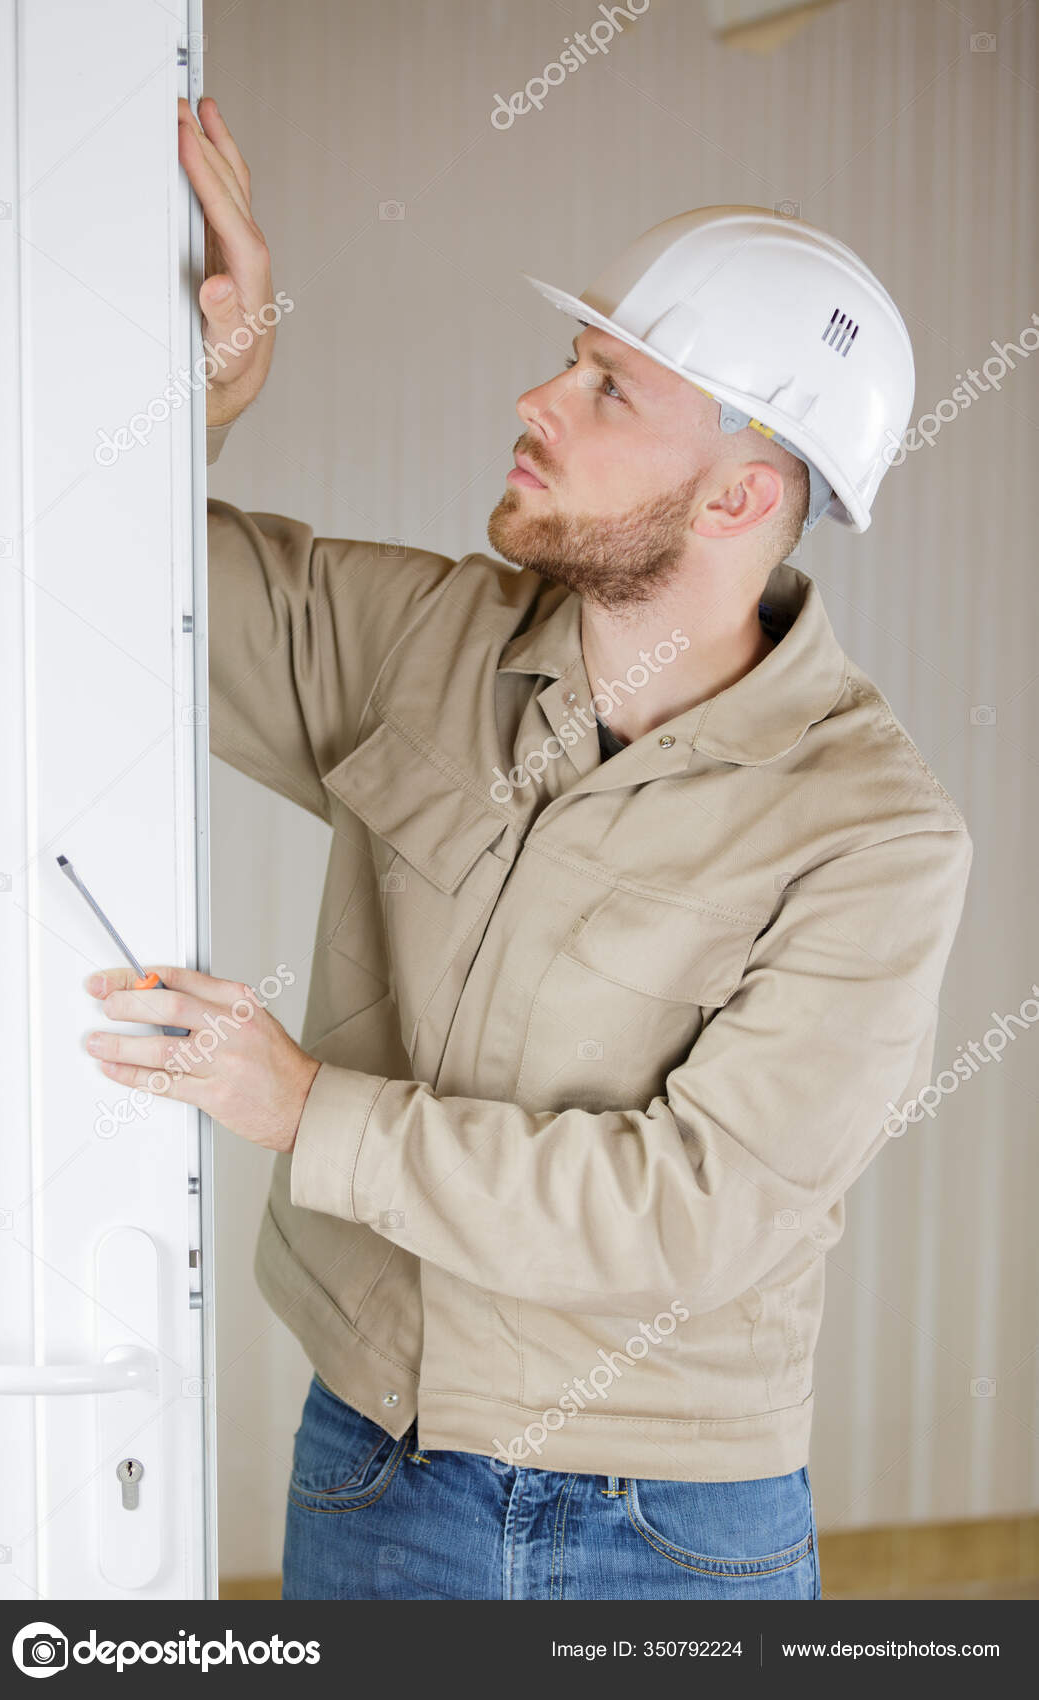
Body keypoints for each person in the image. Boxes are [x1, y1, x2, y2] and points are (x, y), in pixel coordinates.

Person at [88, 95, 971, 1601]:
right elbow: (109, 581)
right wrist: (202, 396)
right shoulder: (423, 644)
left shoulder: (873, 834)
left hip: (670, 1530)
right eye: (572, 360)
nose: (538, 399)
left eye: (608, 389)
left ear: (739, 495)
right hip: (376, 1456)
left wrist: (304, 1108)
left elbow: (695, 1212)